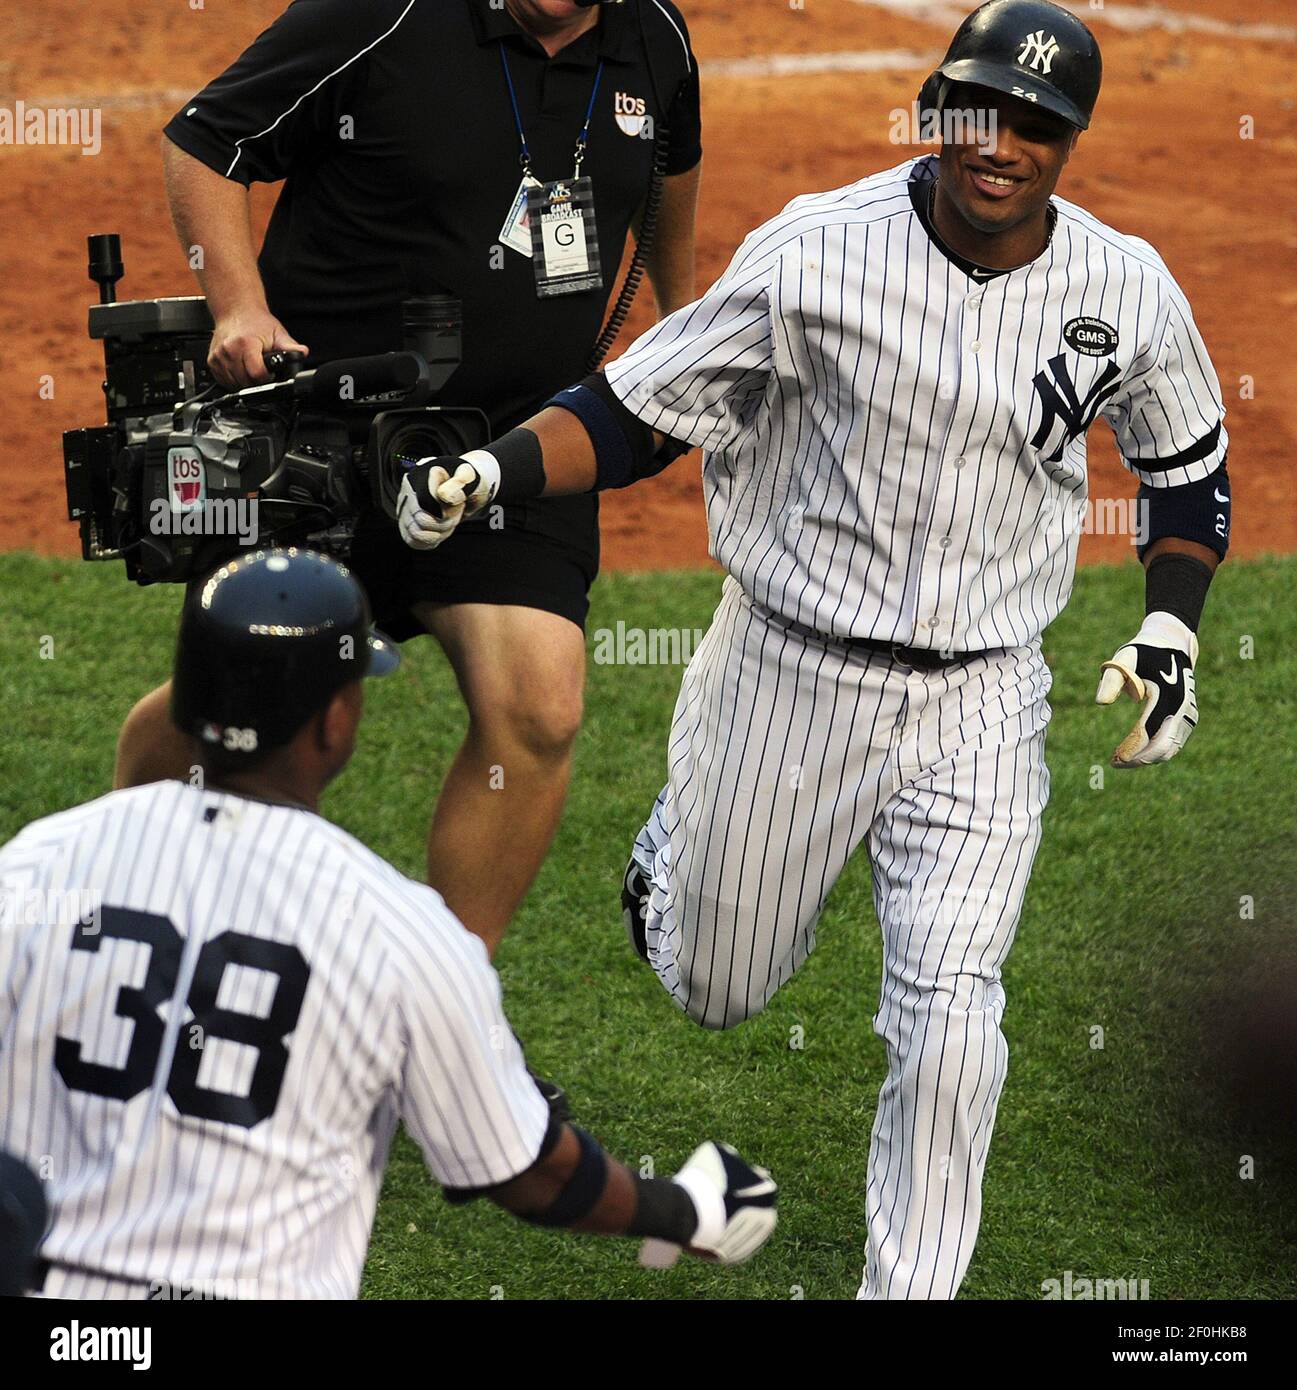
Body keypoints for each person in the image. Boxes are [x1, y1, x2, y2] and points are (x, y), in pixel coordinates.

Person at [394, 0, 1232, 1298]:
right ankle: (673, 856)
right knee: (717, 985)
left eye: (1033, 124)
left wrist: (1170, 620)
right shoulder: (816, 253)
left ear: (1066, 140)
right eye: (976, 111)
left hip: (984, 698)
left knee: (953, 1014)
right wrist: (488, 475)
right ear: (937, 108)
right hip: (790, 667)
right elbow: (636, 409)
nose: (997, 145)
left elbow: (1184, 463)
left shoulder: (1123, 287)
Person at [0, 549, 776, 1299]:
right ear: (335, 719)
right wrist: (689, 1210)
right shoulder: (396, 929)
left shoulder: (38, 867)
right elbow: (527, 1171)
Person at [113, 0, 703, 958]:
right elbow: (207, 141)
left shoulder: (653, 37)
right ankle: (122, 854)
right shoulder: (382, 12)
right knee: (252, 711)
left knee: (538, 712)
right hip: (319, 432)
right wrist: (239, 307)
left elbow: (668, 181)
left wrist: (690, 332)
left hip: (516, 446)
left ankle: (447, 997)